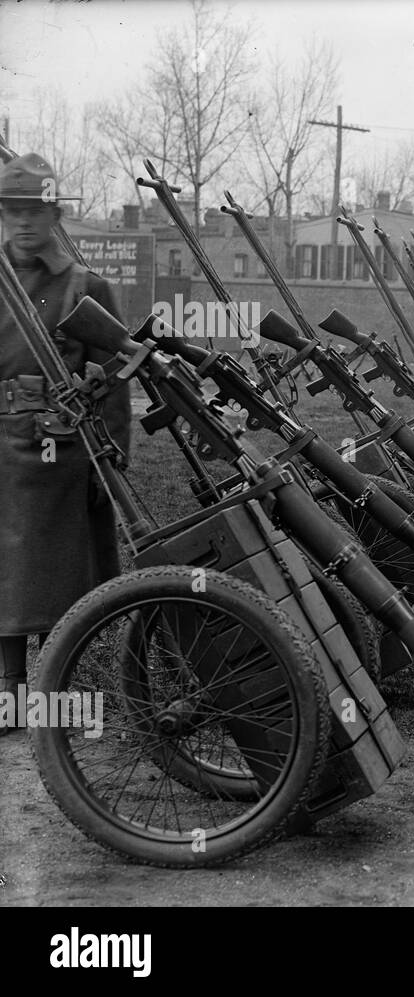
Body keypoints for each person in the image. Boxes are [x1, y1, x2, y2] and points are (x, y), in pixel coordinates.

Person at [0, 153, 132, 733]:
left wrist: (113, 463)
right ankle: (9, 696)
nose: (23, 222)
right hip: (1, 451)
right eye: (12, 210)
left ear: (55, 214)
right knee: (4, 575)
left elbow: (115, 381)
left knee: (59, 580)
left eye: (35, 210)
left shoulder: (86, 284)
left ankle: (56, 694)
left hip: (63, 450)